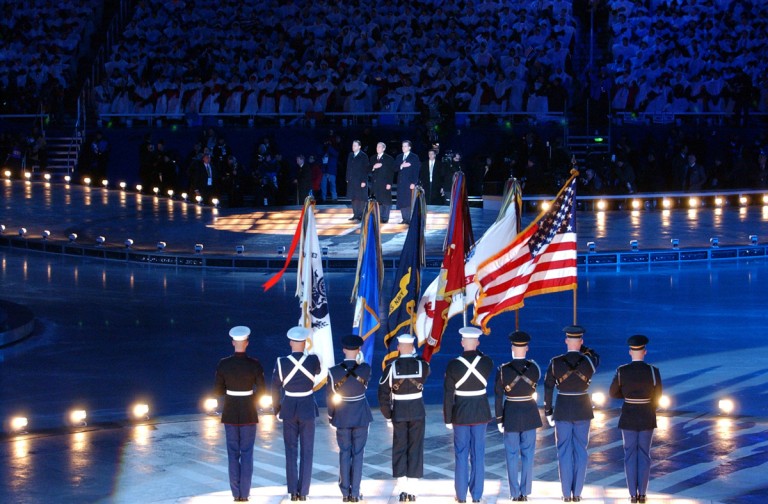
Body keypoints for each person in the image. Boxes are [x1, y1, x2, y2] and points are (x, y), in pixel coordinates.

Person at [544, 325, 600, 503]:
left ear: (566, 341)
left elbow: (548, 387)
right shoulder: (589, 362)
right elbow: (596, 356)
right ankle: (577, 493)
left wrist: (548, 410)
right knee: (581, 452)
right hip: (583, 408)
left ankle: (566, 494)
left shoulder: (556, 362)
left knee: (564, 452)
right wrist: (584, 349)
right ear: (581, 341)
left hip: (563, 409)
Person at [213, 326, 267, 503]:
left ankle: (235, 493)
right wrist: (251, 397)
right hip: (248, 413)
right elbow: (262, 390)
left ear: (232, 343)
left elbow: (218, 391)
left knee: (232, 454)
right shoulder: (255, 364)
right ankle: (245, 493)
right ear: (247, 343)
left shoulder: (223, 364)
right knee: (247, 453)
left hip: (230, 412)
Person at [609, 335, 663, 504]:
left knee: (630, 454)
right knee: (644, 455)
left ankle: (632, 494)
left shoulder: (622, 371)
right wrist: (649, 406)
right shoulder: (653, 371)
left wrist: (627, 397)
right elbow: (658, 396)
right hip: (647, 414)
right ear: (645, 352)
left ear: (630, 351)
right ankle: (642, 494)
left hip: (629, 415)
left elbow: (613, 393)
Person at [443, 327, 493, 503]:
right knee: (478, 455)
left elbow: (448, 394)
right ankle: (477, 495)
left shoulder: (453, 364)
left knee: (461, 455)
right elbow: (483, 357)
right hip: (480, 413)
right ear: (478, 342)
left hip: (461, 415)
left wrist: (447, 418)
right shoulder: (487, 362)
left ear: (462, 342)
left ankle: (461, 496)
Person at [271, 326, 322, 502]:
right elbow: (317, 371)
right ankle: (304, 492)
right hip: (307, 408)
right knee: (307, 451)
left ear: (290, 342)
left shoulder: (281, 362)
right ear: (305, 342)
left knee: (290, 451)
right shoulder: (313, 360)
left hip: (289, 408)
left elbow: (275, 388)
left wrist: (277, 409)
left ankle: (293, 492)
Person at [378, 334, 430, 502]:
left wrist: (388, 415)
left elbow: (383, 393)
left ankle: (403, 490)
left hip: (399, 412)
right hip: (417, 411)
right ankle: (413, 491)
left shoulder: (391, 367)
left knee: (400, 449)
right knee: (415, 449)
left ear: (398, 347)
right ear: (413, 347)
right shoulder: (423, 366)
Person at [495, 331, 542, 502]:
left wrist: (499, 419)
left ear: (512, 347)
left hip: (511, 413)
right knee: (528, 455)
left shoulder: (503, 370)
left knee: (511, 455)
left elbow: (498, 396)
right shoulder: (535, 368)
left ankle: (515, 493)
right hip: (529, 412)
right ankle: (525, 492)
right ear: (527, 348)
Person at [327, 335, 373, 503]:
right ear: (359, 349)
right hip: (361, 416)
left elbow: (330, 396)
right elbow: (365, 385)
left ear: (344, 349)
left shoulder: (333, 371)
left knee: (344, 453)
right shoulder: (366, 369)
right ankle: (355, 493)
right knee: (358, 454)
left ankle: (345, 493)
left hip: (342, 416)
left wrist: (332, 416)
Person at [393, 140, 421, 224]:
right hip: (401, 182)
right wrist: (401, 166)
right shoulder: (399, 157)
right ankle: (404, 218)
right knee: (402, 200)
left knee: (408, 201)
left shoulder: (414, 157)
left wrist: (413, 182)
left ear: (409, 147)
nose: (403, 147)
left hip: (409, 182)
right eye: (402, 146)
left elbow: (416, 170)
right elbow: (395, 168)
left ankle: (409, 218)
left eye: (405, 146)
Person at [370, 142, 395, 223]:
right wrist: (373, 167)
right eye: (377, 147)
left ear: (384, 149)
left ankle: (385, 217)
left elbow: (391, 172)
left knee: (386, 201)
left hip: (384, 183)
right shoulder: (373, 158)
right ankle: (379, 216)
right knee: (378, 200)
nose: (377, 148)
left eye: (379, 147)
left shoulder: (389, 158)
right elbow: (368, 169)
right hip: (375, 183)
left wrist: (389, 183)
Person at [346, 140, 370, 221]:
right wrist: (347, 178)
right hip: (352, 180)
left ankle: (361, 214)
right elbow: (348, 167)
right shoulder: (351, 155)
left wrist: (364, 181)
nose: (353, 147)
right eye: (353, 145)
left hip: (360, 180)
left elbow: (365, 169)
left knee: (360, 198)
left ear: (359, 147)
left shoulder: (363, 156)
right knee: (354, 198)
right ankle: (355, 214)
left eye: (355, 145)